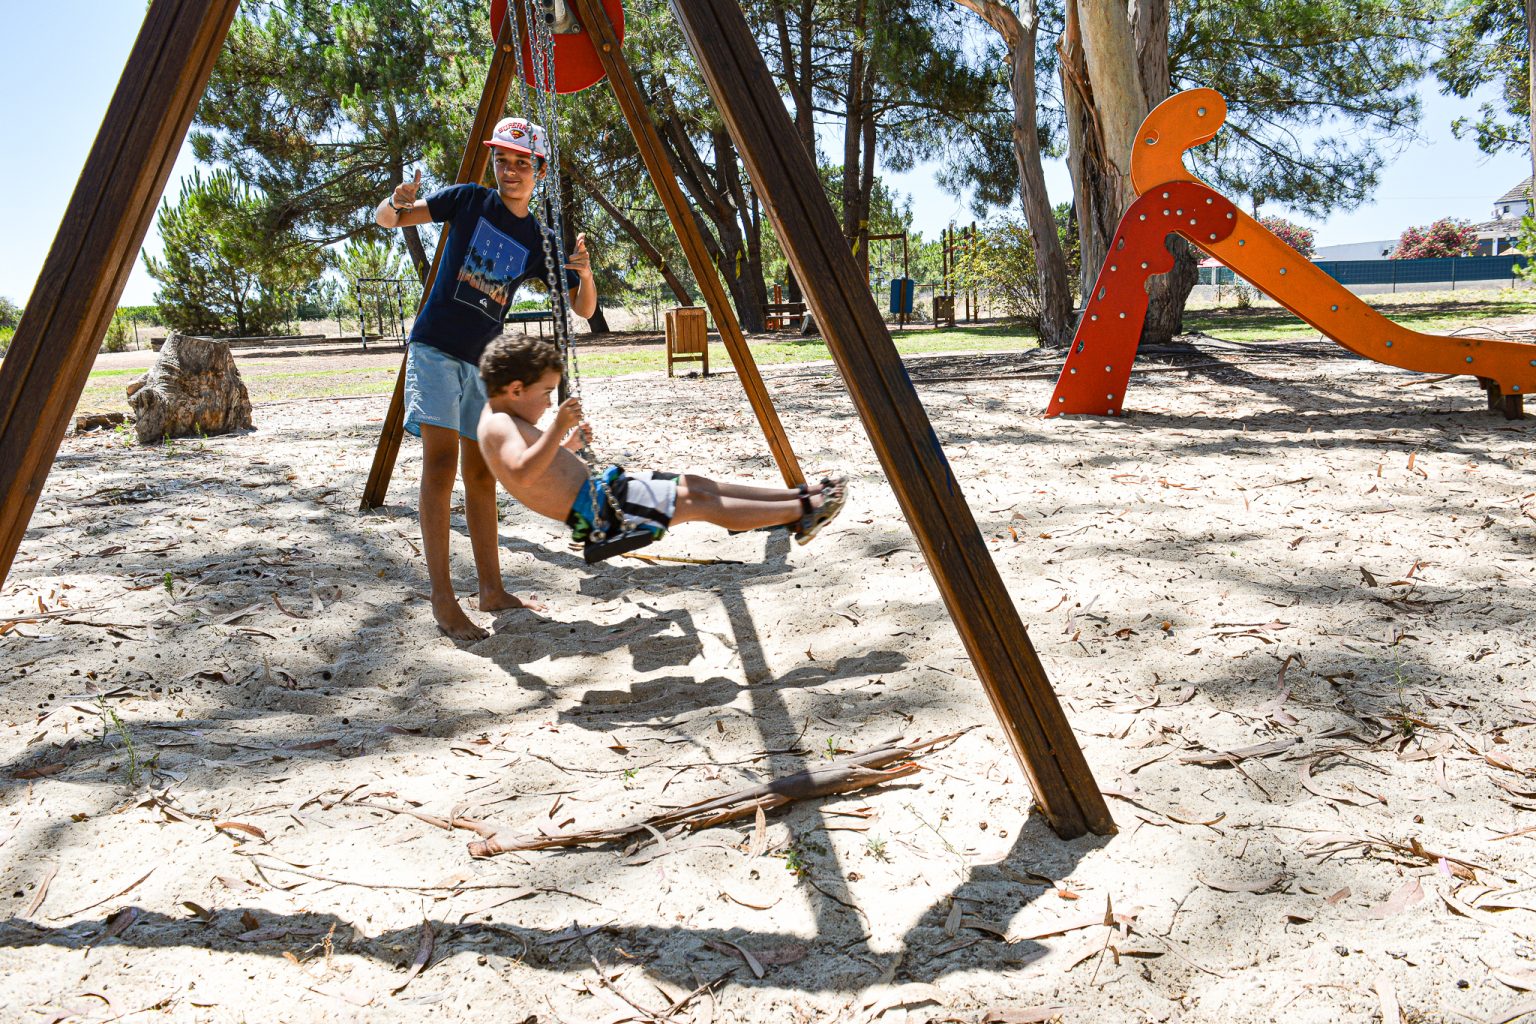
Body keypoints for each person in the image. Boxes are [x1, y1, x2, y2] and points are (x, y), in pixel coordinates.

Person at [375, 117, 599, 640]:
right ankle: (442, 598)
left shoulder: (538, 238)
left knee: (481, 475)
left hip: (483, 366)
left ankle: (491, 588)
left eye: (522, 162)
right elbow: (390, 220)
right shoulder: (469, 200)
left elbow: (584, 308)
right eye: (503, 159)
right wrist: (396, 199)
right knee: (440, 466)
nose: (511, 170)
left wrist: (585, 273)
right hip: (434, 349)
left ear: (539, 171)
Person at [476, 335, 848, 556]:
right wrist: (558, 424)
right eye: (544, 393)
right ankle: (802, 511)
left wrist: (566, 443)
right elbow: (523, 473)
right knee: (697, 501)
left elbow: (543, 470)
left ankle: (796, 497)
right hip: (602, 512)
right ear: (516, 389)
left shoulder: (507, 418)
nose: (547, 403)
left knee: (697, 484)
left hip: (606, 494)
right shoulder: (498, 425)